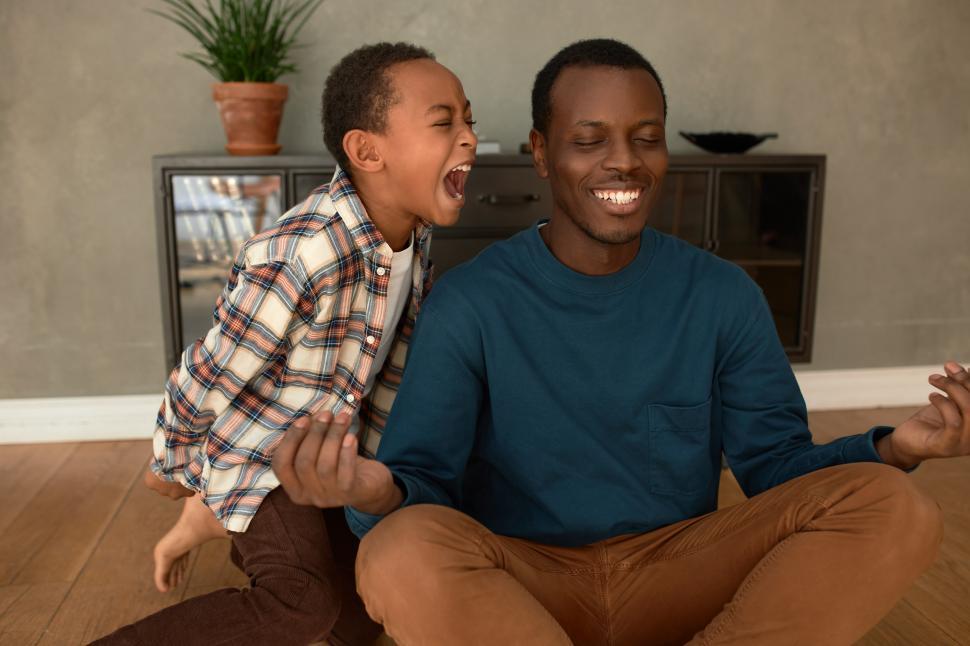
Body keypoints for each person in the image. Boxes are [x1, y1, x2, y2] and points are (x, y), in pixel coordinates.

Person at [271, 38, 969, 645]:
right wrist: (376, 491)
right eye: (589, 140)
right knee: (398, 549)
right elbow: (423, 487)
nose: (624, 162)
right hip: (523, 587)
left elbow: (779, 470)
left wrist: (896, 449)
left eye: (646, 137)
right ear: (542, 154)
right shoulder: (471, 302)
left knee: (896, 506)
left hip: (683, 577)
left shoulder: (723, 296)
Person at [92, 41, 477, 645]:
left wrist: (375, 474)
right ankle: (214, 514)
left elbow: (387, 370)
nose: (470, 138)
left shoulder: (413, 236)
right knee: (302, 603)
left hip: (323, 457)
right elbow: (216, 366)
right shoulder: (306, 250)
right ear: (367, 152)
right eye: (444, 123)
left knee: (358, 621)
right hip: (258, 455)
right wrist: (170, 461)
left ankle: (219, 524)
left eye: (469, 120)